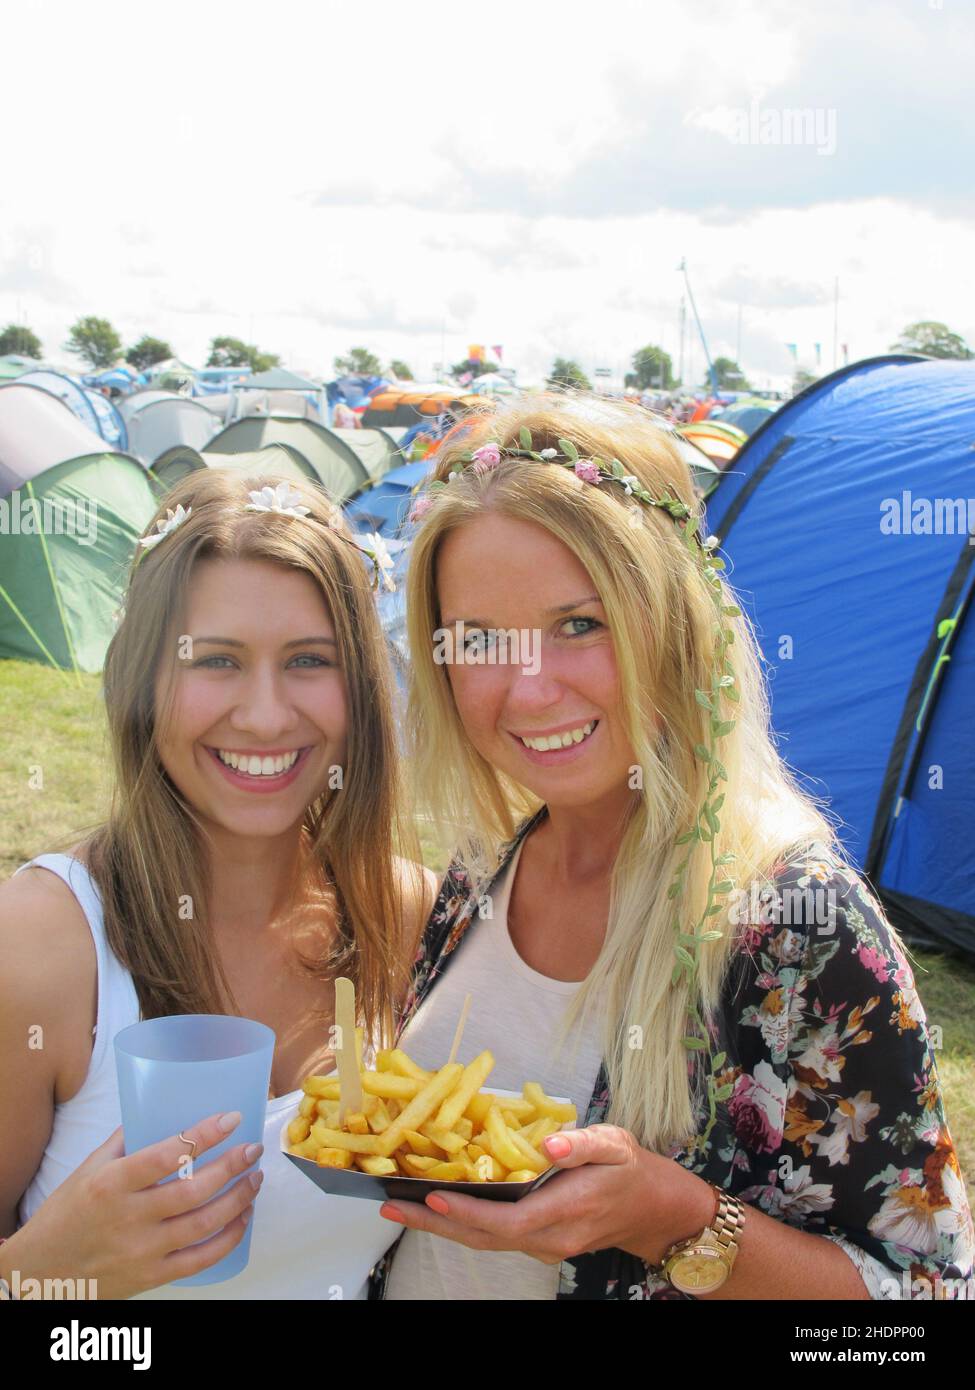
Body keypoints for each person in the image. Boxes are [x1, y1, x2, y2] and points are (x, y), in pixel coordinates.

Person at [372, 393, 973, 1301]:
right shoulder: (482, 870)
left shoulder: (795, 930)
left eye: (580, 624)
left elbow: (917, 1307)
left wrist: (674, 1219)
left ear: (676, 626)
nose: (528, 691)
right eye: (482, 639)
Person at [0, 472, 435, 1300]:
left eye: (309, 661)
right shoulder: (41, 946)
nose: (266, 717)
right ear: (140, 680)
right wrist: (39, 1273)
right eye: (216, 661)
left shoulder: (414, 919)